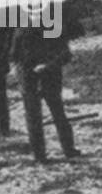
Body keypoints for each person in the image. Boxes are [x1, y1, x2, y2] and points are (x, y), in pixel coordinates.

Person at [11, 9, 81, 163]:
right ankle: (40, 155)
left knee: (57, 112)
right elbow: (14, 55)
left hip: (50, 76)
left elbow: (65, 54)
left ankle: (68, 149)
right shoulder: (21, 29)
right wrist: (26, 68)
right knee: (34, 116)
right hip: (29, 78)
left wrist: (47, 65)